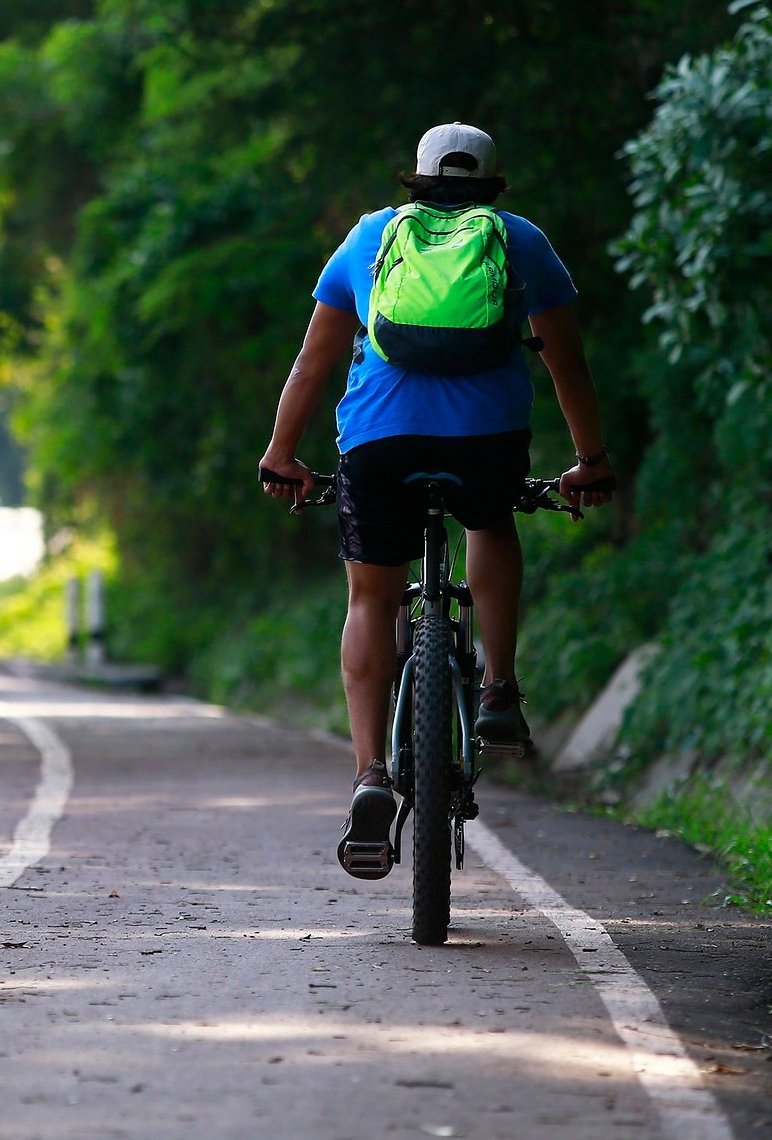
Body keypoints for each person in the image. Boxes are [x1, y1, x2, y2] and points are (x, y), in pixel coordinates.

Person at [257, 123, 615, 880]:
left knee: (370, 597)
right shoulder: (519, 240)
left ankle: (369, 773)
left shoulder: (370, 236)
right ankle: (498, 689)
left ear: (416, 178)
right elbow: (569, 364)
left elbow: (312, 360)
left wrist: (282, 453)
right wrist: (590, 462)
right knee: (489, 521)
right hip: (486, 439)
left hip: (379, 440)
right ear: (491, 183)